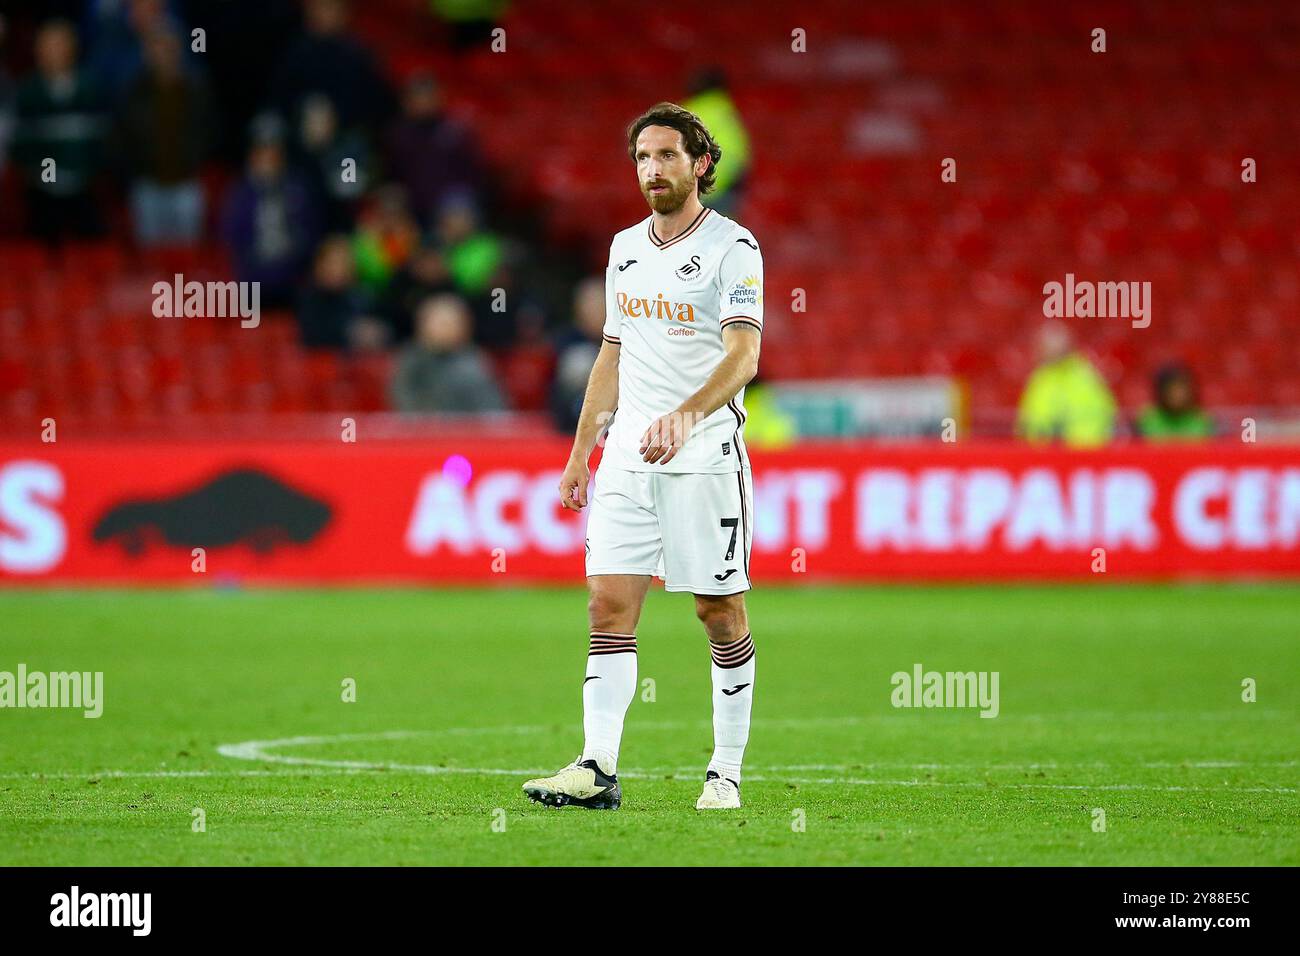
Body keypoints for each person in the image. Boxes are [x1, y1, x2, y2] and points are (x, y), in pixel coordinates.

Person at [522, 102, 763, 812]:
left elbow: (744, 354)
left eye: (666, 156)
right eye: (641, 158)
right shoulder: (624, 248)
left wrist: (686, 415)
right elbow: (613, 352)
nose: (652, 170)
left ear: (701, 163)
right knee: (607, 607)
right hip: (626, 458)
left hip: (704, 456)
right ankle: (597, 767)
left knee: (718, 610)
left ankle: (725, 771)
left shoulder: (733, 248)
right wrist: (581, 452)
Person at [12, 19, 108, 242]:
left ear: (71, 48)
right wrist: (44, 178)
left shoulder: (91, 88)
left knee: (90, 254)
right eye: (46, 46)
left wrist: (86, 172)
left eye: (58, 45)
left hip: (85, 190)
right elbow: (20, 145)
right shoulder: (27, 92)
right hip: (42, 195)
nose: (52, 52)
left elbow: (102, 141)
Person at [116, 28, 213, 245]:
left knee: (188, 255)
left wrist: (194, 159)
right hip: (147, 184)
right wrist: (136, 166)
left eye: (168, 48)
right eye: (156, 49)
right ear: (147, 53)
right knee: (151, 258)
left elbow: (208, 130)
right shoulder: (134, 91)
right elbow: (123, 135)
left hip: (186, 182)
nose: (162, 55)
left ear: (178, 51)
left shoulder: (196, 88)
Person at [389, 293, 506, 412]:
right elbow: (404, 401)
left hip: (469, 428)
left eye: (452, 323)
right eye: (441, 323)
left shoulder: (476, 363)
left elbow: (492, 408)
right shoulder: (411, 362)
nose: (446, 329)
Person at [1015, 320, 1117, 447]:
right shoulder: (1040, 378)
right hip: (1044, 456)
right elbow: (1027, 422)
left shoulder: (1085, 375)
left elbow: (1101, 419)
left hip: (1082, 455)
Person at [1136, 363, 1213, 440]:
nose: (1177, 395)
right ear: (1161, 391)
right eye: (1172, 389)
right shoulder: (1147, 420)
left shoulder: (1203, 420)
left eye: (1181, 389)